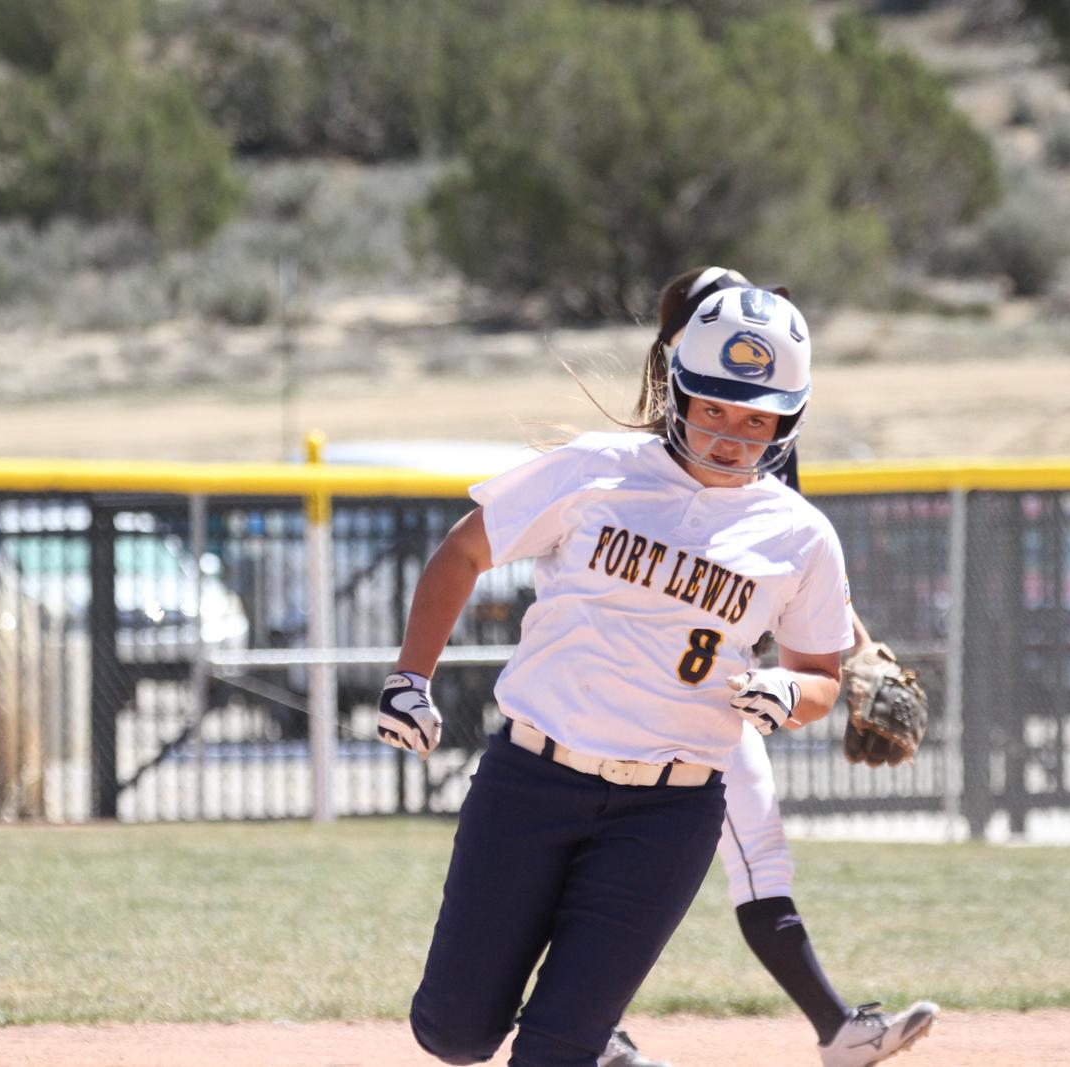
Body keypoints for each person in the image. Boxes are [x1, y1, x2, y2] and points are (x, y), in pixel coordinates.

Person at [377, 284, 857, 1067]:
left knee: (555, 1050)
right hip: (531, 780)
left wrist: (788, 694)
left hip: (666, 815)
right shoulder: (595, 469)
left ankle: (581, 1032)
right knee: (454, 1032)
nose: (732, 433)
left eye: (756, 417)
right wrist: (410, 677)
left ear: (786, 423)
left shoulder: (800, 534)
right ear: (679, 392)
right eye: (715, 407)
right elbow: (463, 551)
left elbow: (821, 678)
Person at [600, 267, 938, 1067]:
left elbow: (800, 575)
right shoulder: (664, 453)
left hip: (721, 687)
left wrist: (855, 654)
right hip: (655, 698)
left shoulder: (757, 433)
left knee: (754, 852)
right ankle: (596, 1030)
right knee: (666, 865)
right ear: (684, 342)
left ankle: (835, 1029)